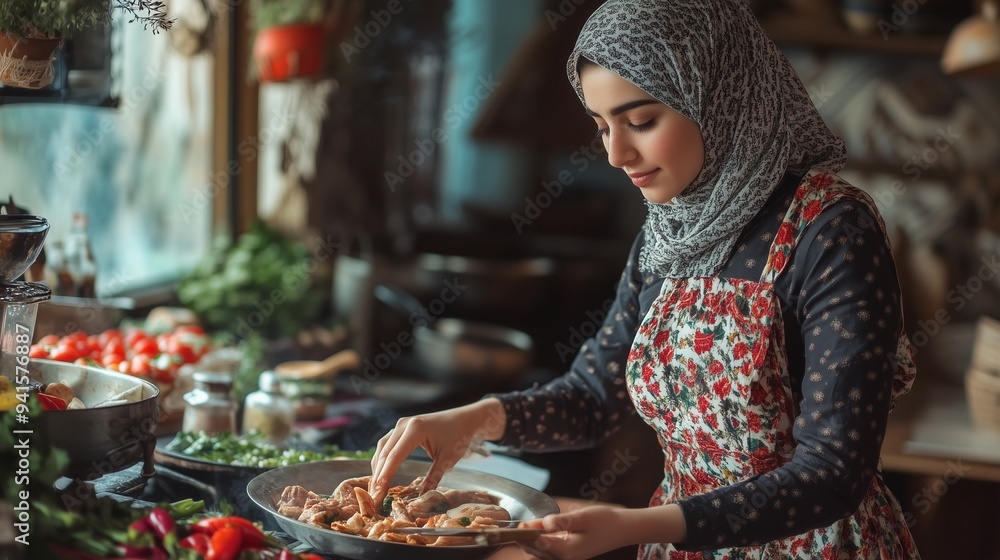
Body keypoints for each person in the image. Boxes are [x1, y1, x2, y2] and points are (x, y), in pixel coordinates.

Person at [369, 0, 920, 558]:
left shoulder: (830, 233)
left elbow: (834, 472)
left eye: (640, 121)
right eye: (602, 126)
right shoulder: (668, 234)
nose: (615, 152)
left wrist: (642, 524)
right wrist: (471, 421)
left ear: (718, 95)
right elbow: (592, 397)